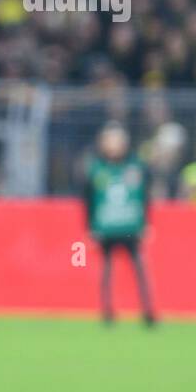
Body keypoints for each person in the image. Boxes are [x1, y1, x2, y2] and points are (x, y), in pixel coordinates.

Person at [84, 123, 157, 327]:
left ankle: (148, 311)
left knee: (140, 269)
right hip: (106, 229)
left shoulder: (135, 167)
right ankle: (107, 312)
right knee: (106, 271)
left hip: (130, 228)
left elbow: (144, 197)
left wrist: (146, 223)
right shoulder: (96, 169)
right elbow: (88, 201)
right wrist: (89, 227)